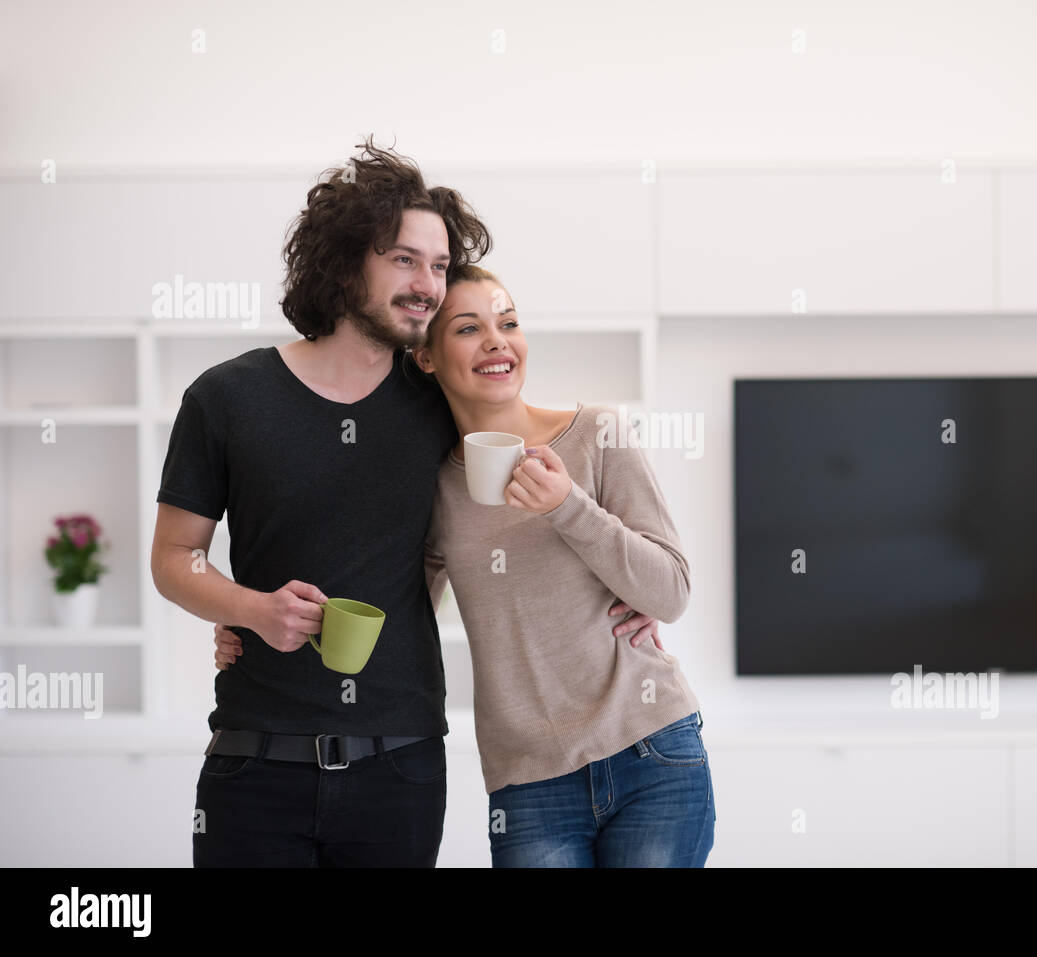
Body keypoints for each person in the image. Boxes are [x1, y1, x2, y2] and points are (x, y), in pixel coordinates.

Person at [159, 137, 662, 867]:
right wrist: (247, 609)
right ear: (344, 260)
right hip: (253, 759)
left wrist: (629, 588)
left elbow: (535, 470)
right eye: (404, 259)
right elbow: (176, 558)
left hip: (401, 764)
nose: (427, 283)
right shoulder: (226, 398)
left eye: (438, 264)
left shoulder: (438, 403)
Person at [222, 265, 714, 867]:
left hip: (651, 750)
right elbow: (395, 609)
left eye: (508, 323)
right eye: (468, 328)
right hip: (527, 785)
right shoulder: (435, 487)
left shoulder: (597, 434)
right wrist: (256, 621)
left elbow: (671, 592)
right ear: (426, 357)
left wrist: (568, 507)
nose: (497, 341)